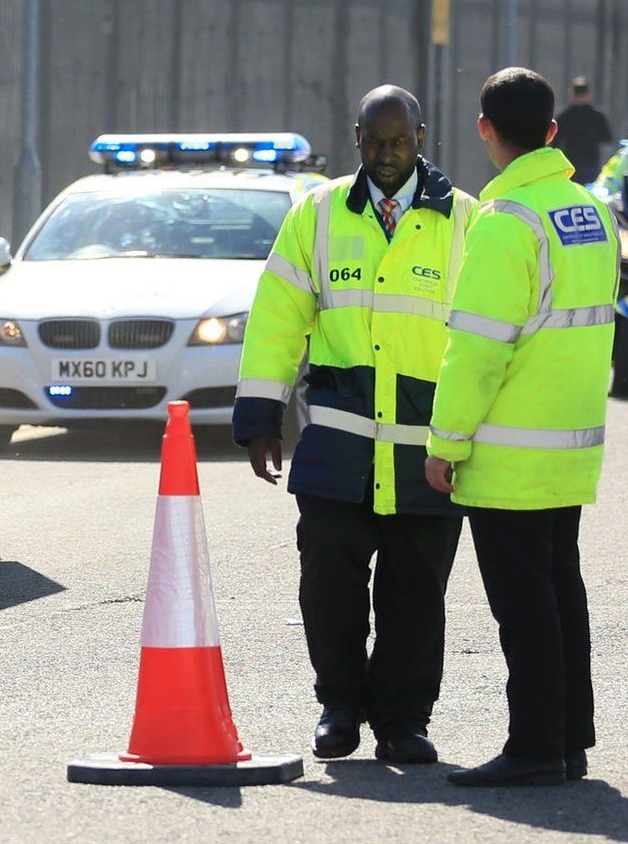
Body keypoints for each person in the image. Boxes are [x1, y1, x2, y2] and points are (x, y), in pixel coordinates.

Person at [234, 85, 475, 766]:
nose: (388, 155)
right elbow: (278, 318)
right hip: (337, 449)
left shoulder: (466, 221)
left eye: (400, 141)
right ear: (357, 137)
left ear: (421, 138)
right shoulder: (316, 215)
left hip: (429, 452)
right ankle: (338, 707)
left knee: (415, 597)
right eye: (375, 141)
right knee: (328, 587)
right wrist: (260, 418)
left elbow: (487, 336)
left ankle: (402, 722)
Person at [426, 67, 617, 787]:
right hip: (569, 444)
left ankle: (536, 748)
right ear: (553, 131)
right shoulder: (590, 211)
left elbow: (476, 349)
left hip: (507, 454)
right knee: (561, 589)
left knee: (524, 606)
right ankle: (568, 741)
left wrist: (445, 443)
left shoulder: (507, 223)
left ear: (485, 130)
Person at [552, 77, 613, 186]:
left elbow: (555, 143)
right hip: (581, 164)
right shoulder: (596, 116)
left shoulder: (564, 116)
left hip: (576, 164)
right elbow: (606, 137)